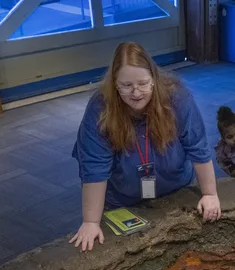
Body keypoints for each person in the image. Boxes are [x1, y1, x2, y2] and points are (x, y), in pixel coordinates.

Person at [71, 42, 220, 252]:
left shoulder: (177, 98)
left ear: (154, 79)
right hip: (122, 198)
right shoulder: (100, 108)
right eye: (126, 85)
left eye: (143, 83)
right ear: (114, 83)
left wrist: (210, 194)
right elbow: (94, 168)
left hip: (176, 189)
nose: (136, 92)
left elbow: (198, 147)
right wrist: (91, 222)